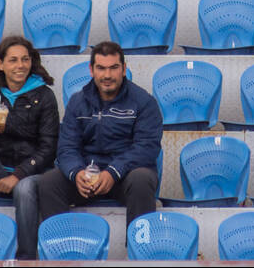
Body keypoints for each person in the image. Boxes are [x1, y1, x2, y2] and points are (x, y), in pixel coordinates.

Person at [34, 41, 162, 253]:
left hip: (125, 177)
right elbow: (66, 148)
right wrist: (77, 173)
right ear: (92, 70)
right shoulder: (77, 102)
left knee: (142, 179)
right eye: (101, 68)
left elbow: (147, 147)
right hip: (87, 177)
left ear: (123, 68)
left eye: (113, 67)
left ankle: (141, 253)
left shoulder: (144, 102)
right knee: (49, 182)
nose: (107, 75)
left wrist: (113, 172)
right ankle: (65, 251)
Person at [0, 35, 59, 260]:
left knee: (24, 190)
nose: (20, 66)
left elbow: (49, 148)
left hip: (31, 171)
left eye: (25, 60)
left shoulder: (44, 96)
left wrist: (18, 175)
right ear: (0, 64)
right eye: (13, 60)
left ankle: (26, 258)